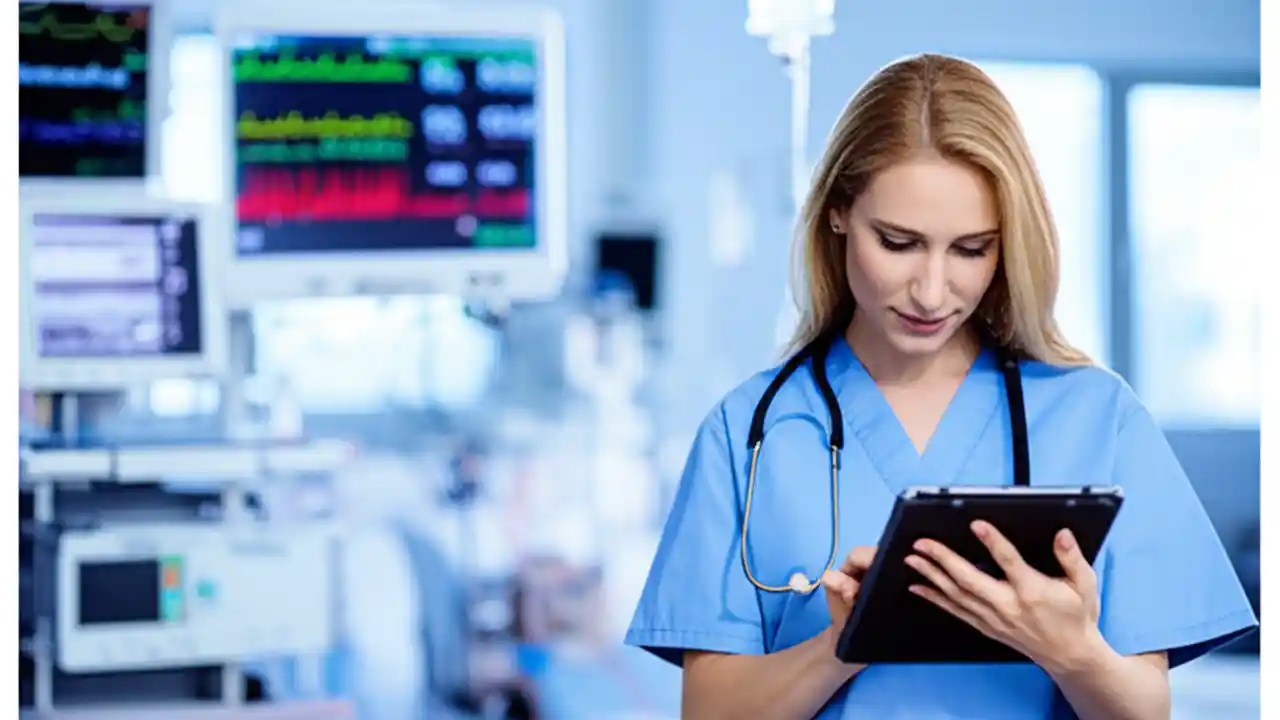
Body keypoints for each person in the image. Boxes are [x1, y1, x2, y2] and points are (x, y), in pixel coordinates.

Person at [624, 53, 1258, 719]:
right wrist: (845, 640)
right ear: (838, 212)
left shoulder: (1098, 418)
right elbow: (709, 713)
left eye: (971, 249)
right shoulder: (751, 429)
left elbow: (1146, 713)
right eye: (898, 243)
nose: (931, 291)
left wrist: (1072, 652)